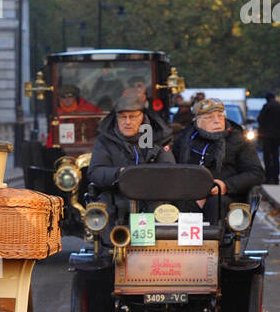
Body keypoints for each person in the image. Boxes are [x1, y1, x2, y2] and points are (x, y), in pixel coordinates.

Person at [87, 88, 173, 219]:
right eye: (122, 117)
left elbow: (169, 171)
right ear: (116, 118)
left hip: (152, 196)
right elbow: (94, 172)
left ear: (142, 116)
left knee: (166, 211)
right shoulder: (105, 139)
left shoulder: (157, 137)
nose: (127, 122)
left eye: (132, 116)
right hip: (115, 196)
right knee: (103, 211)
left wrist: (144, 175)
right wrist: (119, 173)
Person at [173, 97, 264, 218]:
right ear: (198, 121)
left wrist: (227, 185)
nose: (217, 121)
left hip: (225, 197)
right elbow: (172, 169)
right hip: (189, 193)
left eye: (220, 116)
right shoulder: (184, 140)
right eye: (210, 117)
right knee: (173, 206)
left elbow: (256, 173)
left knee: (215, 203)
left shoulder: (239, 141)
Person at [257, 91, 280, 185]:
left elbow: (260, 119)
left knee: (267, 157)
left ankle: (268, 177)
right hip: (277, 136)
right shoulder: (278, 106)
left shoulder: (266, 106)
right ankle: (275, 177)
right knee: (275, 156)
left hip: (267, 136)